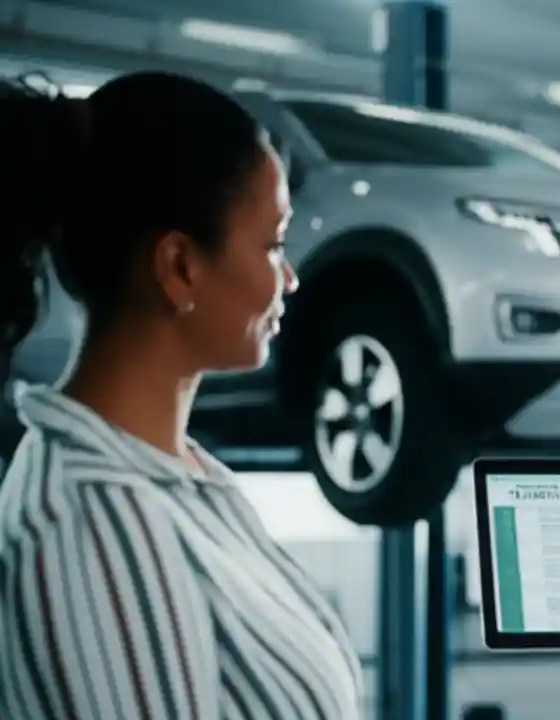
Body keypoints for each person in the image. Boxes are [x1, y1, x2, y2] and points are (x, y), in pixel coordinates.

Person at [0, 72, 361, 719]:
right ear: (179, 267)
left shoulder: (177, 479)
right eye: (273, 244)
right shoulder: (93, 527)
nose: (290, 278)